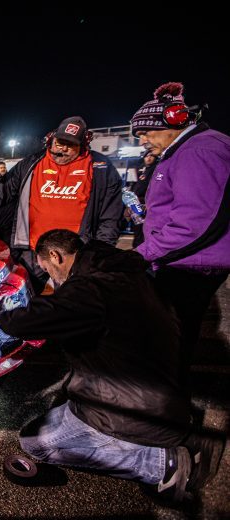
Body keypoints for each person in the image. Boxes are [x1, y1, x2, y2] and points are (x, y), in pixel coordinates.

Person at [0, 229, 224, 503]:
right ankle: (176, 440)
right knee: (38, 426)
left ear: (55, 256)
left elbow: (30, 320)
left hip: (130, 407)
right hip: (163, 394)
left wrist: (3, 314)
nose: (50, 277)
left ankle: (161, 464)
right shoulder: (121, 269)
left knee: (34, 444)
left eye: (46, 269)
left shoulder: (89, 289)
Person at [130, 82, 230, 376]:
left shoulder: (198, 151)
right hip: (183, 262)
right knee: (168, 340)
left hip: (188, 267)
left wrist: (142, 254)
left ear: (173, 121)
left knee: (170, 343)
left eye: (146, 132)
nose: (142, 141)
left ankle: (165, 395)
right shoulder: (186, 149)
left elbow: (194, 223)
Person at [0, 116, 123, 293]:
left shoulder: (100, 167)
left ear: (83, 145)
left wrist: (101, 252)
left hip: (73, 254)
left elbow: (110, 216)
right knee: (24, 294)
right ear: (51, 139)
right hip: (33, 250)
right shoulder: (32, 162)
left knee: (71, 299)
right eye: (59, 142)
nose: (63, 148)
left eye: (71, 144)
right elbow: (1, 191)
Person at [128, 151, 157, 248]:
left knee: (145, 227)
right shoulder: (140, 168)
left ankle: (144, 247)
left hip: (147, 203)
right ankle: (136, 246)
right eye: (146, 156)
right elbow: (132, 184)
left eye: (151, 156)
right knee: (137, 226)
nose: (149, 158)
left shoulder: (156, 168)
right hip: (135, 202)